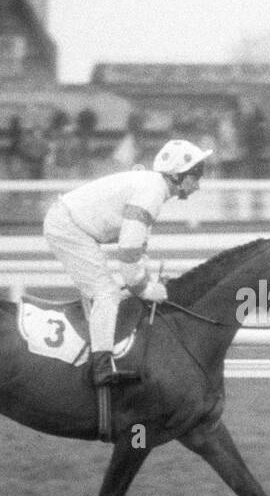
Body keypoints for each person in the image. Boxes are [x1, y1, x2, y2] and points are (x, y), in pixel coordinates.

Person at [43, 139, 212, 386]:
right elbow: (129, 254)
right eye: (196, 176)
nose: (198, 184)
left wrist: (144, 281)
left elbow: (137, 247)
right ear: (177, 175)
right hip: (68, 227)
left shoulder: (154, 188)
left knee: (116, 291)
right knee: (107, 294)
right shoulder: (152, 191)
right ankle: (100, 368)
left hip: (73, 225)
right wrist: (145, 289)